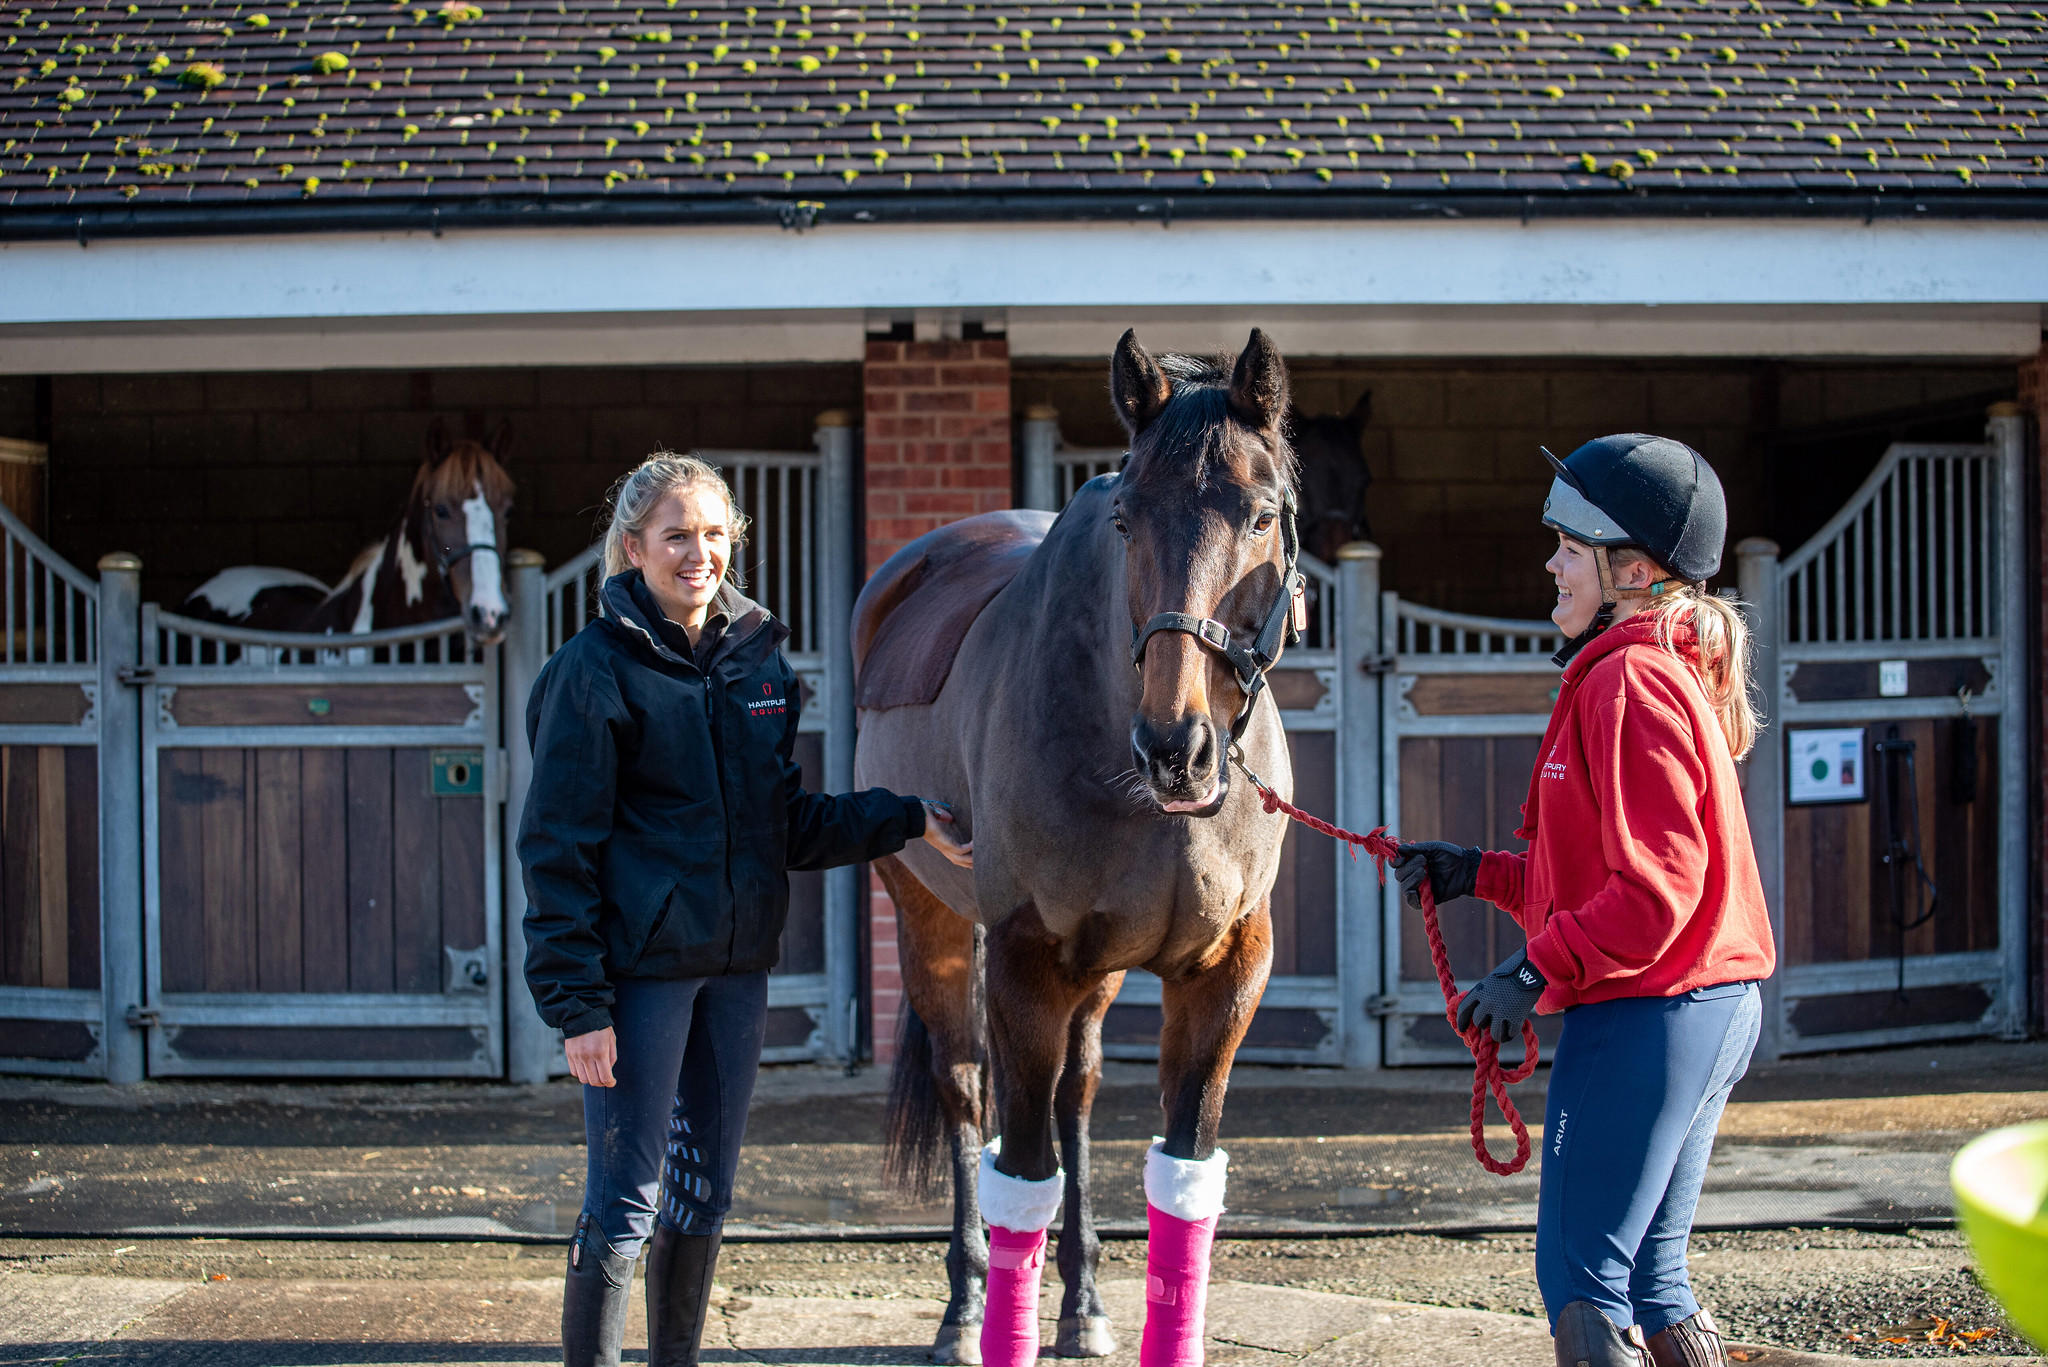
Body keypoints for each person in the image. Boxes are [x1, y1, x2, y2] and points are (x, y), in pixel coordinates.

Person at [519, 452, 974, 1367]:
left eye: (714, 535)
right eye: (677, 536)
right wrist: (578, 1005)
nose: (699, 554)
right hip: (638, 980)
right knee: (625, 1199)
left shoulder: (758, 656)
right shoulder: (593, 670)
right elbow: (557, 848)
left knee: (705, 1194)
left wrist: (909, 817)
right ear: (634, 547)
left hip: (734, 974)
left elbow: (783, 824)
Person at [1392, 434, 1776, 1367]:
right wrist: (1474, 872)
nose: (1550, 561)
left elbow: (1656, 896)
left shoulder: (1630, 682)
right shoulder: (1643, 667)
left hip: (1652, 1012)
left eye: (1570, 545)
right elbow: (1599, 879)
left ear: (1631, 570)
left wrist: (1530, 969)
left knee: (1580, 1283)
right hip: (1705, 1004)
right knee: (1654, 1277)